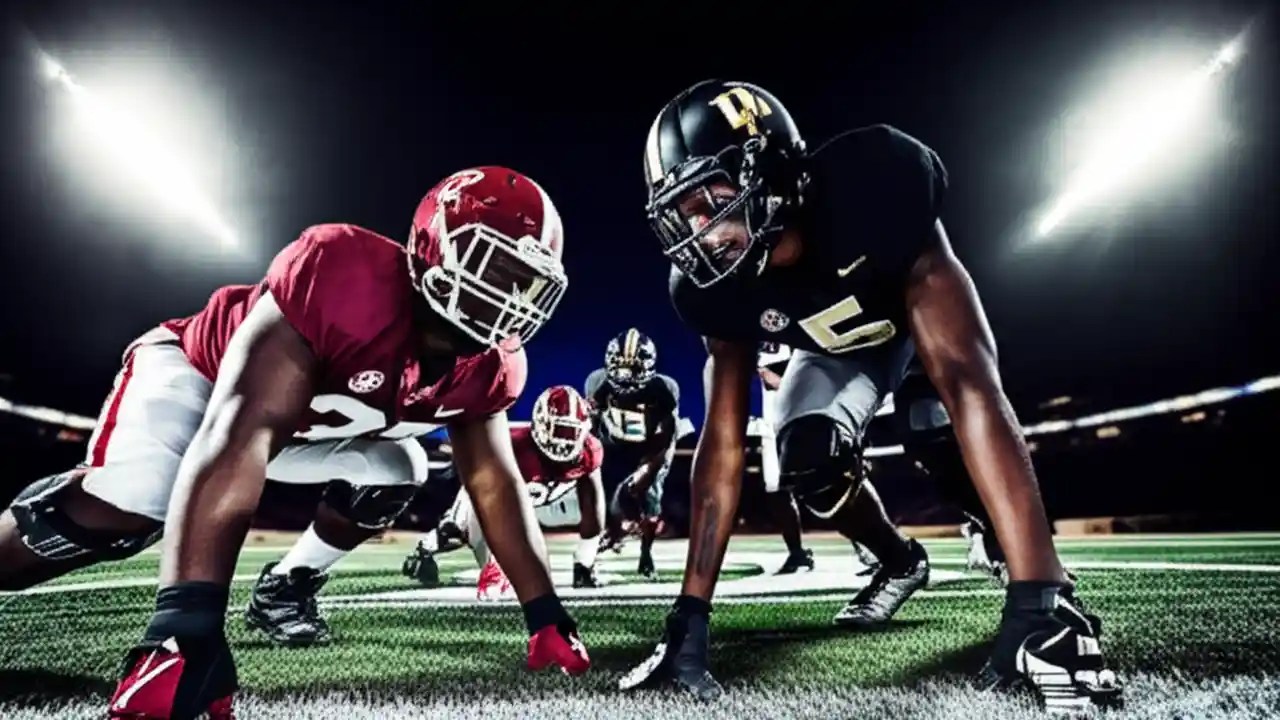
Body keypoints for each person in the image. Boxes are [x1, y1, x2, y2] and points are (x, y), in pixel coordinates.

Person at [620, 79, 1121, 710]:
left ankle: (1020, 563)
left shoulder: (872, 187)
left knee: (932, 418)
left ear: (768, 165)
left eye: (709, 198)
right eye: (684, 212)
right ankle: (897, 559)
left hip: (914, 326)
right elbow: (720, 445)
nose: (702, 229)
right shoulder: (711, 289)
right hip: (835, 348)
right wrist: (688, 618)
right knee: (807, 456)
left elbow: (970, 382)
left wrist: (1039, 599)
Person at [93, 166, 590, 720]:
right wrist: (187, 625)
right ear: (435, 245)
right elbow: (240, 430)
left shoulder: (493, 365)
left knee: (401, 466)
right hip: (202, 385)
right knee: (129, 507)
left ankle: (286, 586)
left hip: (295, 429)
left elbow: (494, 484)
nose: (506, 298)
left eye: (524, 282)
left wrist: (544, 611)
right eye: (492, 268)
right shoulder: (341, 274)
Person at [401, 384, 607, 596]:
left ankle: (579, 563)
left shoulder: (589, 452)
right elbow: (482, 494)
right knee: (458, 530)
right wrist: (461, 526)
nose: (564, 441)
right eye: (559, 430)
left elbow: (592, 503)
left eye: (571, 431)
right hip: (492, 492)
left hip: (540, 495)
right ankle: (428, 549)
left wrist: (585, 559)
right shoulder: (512, 446)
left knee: (590, 502)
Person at [583, 329, 680, 580]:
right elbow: (591, 423)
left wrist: (650, 468)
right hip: (613, 447)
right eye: (621, 368)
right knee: (601, 502)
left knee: (649, 505)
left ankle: (646, 554)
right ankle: (599, 546)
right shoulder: (598, 382)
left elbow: (666, 435)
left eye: (633, 369)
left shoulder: (664, 389)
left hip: (649, 449)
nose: (626, 376)